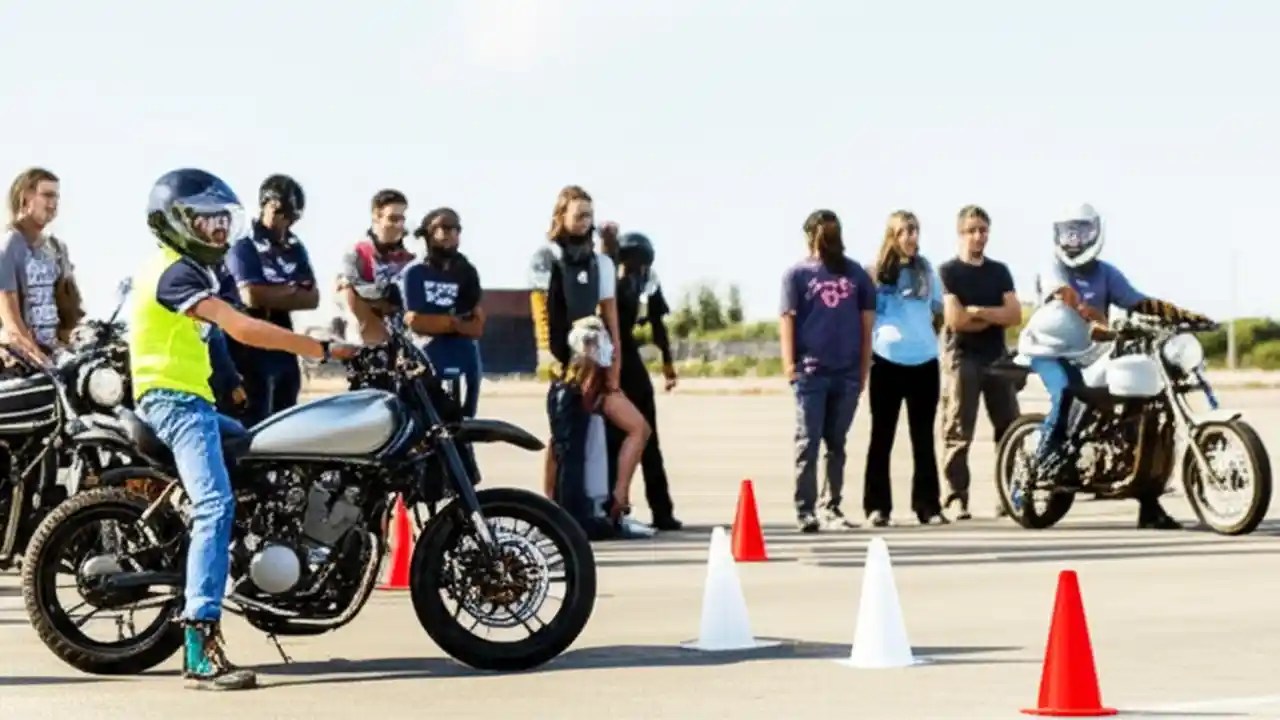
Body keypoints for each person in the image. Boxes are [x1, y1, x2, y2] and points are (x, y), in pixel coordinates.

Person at [129, 168, 356, 690]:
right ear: (177, 222)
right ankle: (199, 644)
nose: (218, 231)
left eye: (220, 221)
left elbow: (221, 335)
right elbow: (243, 326)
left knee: (276, 456)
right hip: (174, 404)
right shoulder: (172, 273)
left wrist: (235, 382)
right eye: (206, 221)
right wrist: (323, 351)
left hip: (199, 402)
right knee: (215, 505)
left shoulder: (197, 271)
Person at [1020, 203, 1212, 530]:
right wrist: (1092, 318)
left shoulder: (1106, 272)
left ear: (1095, 231)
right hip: (1051, 349)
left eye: (1082, 230)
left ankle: (1149, 504)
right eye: (1069, 231)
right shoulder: (1053, 267)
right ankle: (1028, 477)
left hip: (1095, 350)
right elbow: (1065, 297)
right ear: (1058, 233)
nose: (1075, 238)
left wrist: (1184, 316)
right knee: (1067, 391)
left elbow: (1137, 301)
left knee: (1147, 408)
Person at [528, 185, 649, 519]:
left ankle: (617, 501)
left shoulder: (602, 265)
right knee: (561, 440)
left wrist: (613, 372)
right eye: (579, 214)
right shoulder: (546, 257)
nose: (585, 221)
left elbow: (611, 322)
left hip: (597, 363)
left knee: (638, 427)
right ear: (561, 216)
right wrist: (550, 359)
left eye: (589, 216)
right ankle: (552, 506)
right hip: (564, 366)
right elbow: (540, 314)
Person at [779, 209, 875, 533]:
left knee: (837, 442)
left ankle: (831, 504)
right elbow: (788, 318)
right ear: (810, 235)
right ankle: (805, 509)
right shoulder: (797, 275)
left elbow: (866, 324)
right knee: (808, 441)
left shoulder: (856, 274)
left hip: (846, 372)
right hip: (810, 371)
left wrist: (863, 369)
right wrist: (790, 365)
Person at [862, 210, 948, 527]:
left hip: (924, 362)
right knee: (881, 435)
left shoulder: (927, 271)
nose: (911, 237)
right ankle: (877, 506)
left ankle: (928, 506)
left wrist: (924, 337)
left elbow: (938, 314)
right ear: (892, 236)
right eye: (904, 231)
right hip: (886, 362)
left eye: (914, 230)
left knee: (923, 437)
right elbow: (867, 316)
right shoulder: (875, 274)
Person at [937, 205, 1023, 520]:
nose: (978, 236)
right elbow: (955, 319)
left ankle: (1010, 493)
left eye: (983, 230)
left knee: (1010, 426)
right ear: (961, 233)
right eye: (972, 230)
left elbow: (1013, 315)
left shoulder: (999, 271)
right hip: (963, 357)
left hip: (996, 357)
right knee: (959, 429)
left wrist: (979, 312)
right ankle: (956, 496)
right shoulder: (948, 271)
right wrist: (987, 315)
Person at [600, 229, 682, 531]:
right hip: (612, 358)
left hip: (626, 359)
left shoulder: (644, 281)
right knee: (620, 439)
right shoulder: (612, 277)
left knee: (644, 439)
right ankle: (617, 507)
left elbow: (659, 325)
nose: (638, 266)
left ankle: (660, 510)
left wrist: (668, 364)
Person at [547, 315, 654, 540]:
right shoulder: (599, 391)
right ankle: (615, 502)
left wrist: (549, 501)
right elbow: (639, 429)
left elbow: (553, 449)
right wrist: (621, 491)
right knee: (638, 429)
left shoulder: (561, 389)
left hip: (567, 505)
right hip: (588, 510)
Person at [223, 174, 318, 425]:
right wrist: (290, 289)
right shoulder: (243, 243)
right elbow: (251, 296)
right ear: (265, 205)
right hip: (249, 342)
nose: (283, 221)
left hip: (283, 337)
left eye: (291, 216)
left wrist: (273, 291)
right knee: (255, 419)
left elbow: (312, 298)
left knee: (286, 418)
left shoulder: (295, 247)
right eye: (279, 212)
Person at [399, 207, 485, 417]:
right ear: (428, 233)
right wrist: (456, 323)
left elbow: (476, 325)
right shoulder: (415, 272)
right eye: (445, 228)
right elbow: (416, 321)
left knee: (466, 415)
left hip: (462, 349)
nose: (451, 234)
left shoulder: (467, 271)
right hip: (425, 349)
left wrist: (446, 323)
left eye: (456, 229)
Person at [0, 167, 85, 367]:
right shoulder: (8, 247)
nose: (53, 204)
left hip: (55, 355)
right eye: (47, 195)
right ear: (25, 197)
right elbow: (12, 323)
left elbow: (70, 312)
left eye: (56, 197)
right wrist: (42, 362)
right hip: (18, 362)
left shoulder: (57, 249)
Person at [337, 189, 416, 345]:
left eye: (402, 219)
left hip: (406, 339)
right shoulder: (357, 251)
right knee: (344, 288)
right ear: (376, 216)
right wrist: (387, 293)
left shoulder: (411, 253)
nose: (399, 225)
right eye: (393, 219)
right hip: (366, 339)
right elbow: (356, 288)